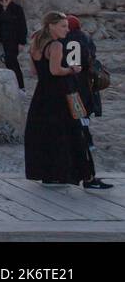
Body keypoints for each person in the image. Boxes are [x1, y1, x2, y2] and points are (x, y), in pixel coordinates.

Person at [23, 11, 94, 187]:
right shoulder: (55, 45)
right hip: (61, 93)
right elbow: (56, 71)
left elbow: (33, 71)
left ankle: (48, 173)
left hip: (42, 93)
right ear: (51, 26)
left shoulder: (36, 43)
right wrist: (71, 69)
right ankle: (82, 175)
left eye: (68, 26)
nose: (66, 29)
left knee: (45, 134)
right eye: (63, 26)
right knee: (71, 132)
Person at [64, 16, 113, 190]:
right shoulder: (84, 38)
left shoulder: (72, 41)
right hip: (85, 89)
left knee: (79, 125)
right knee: (83, 123)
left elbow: (74, 65)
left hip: (77, 91)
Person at [0, 0, 27, 91]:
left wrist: (22, 42)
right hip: (5, 40)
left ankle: (21, 86)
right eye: (1, 0)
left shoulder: (17, 9)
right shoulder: (1, 9)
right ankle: (14, 84)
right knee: (8, 63)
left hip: (14, 41)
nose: (4, 1)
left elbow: (23, 26)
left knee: (13, 62)